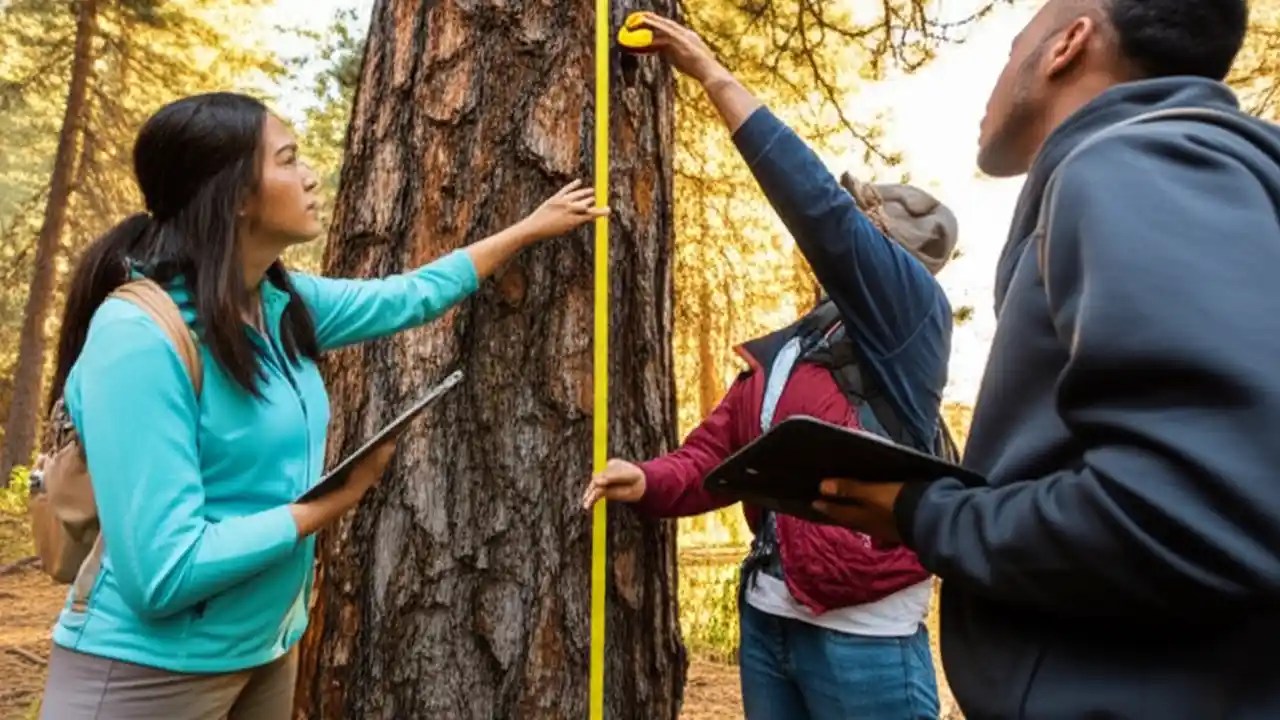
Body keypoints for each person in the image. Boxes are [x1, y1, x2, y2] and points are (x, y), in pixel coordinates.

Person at [37, 92, 607, 719]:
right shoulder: (140, 339)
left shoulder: (278, 303)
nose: (309, 175)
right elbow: (162, 574)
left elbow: (409, 296)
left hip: (264, 653)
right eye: (288, 160)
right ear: (235, 195)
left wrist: (528, 229)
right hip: (145, 676)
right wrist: (326, 506)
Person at [811, 1, 1280, 717]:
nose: (995, 78)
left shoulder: (1135, 165)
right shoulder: (1199, 175)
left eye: (1010, 47)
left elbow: (1195, 508)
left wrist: (924, 514)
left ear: (1068, 44)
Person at [582, 14, 956, 719]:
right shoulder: (787, 349)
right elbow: (713, 457)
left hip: (865, 644)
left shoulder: (913, 325)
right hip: (770, 623)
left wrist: (712, 75)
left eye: (864, 224)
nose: (847, 231)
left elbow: (821, 216)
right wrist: (647, 480)